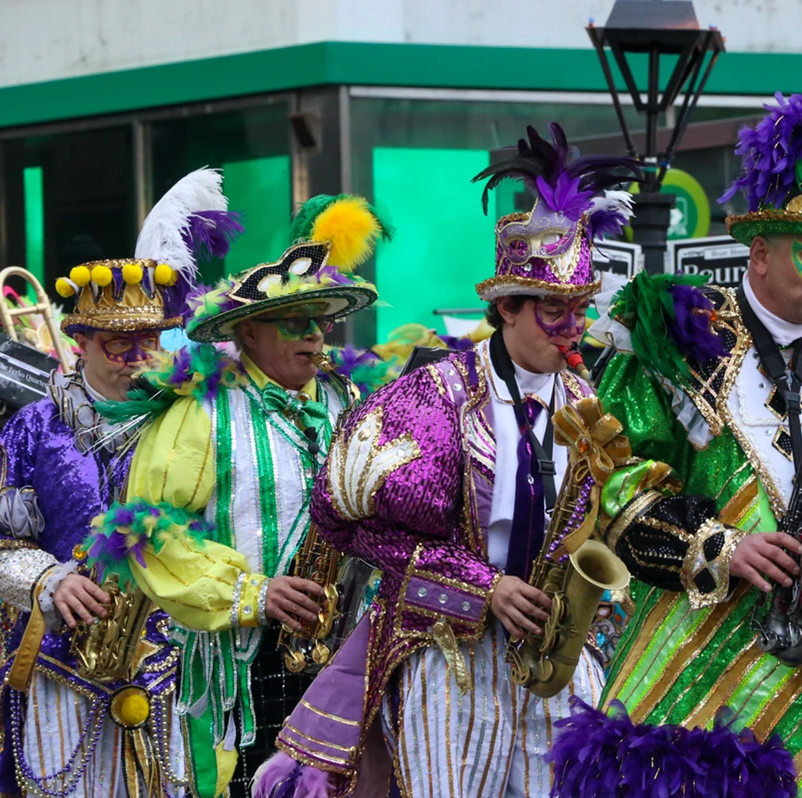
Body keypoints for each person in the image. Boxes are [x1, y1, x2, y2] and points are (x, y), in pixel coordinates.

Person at [546, 73, 802, 798]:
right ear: (759, 254)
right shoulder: (683, 340)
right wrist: (721, 546)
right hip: (701, 678)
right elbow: (607, 478)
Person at [252, 123, 640, 798]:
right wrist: (484, 587)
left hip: (556, 653)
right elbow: (348, 519)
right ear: (506, 309)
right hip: (449, 656)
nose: (575, 327)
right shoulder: (430, 399)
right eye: (555, 311)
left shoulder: (586, 396)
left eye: (580, 310)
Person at [84, 194, 390, 798]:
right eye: (294, 322)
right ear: (248, 331)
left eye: (321, 320)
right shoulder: (203, 409)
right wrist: (254, 592)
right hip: (246, 667)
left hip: (347, 649)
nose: (314, 336)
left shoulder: (346, 401)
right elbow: (145, 532)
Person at [0, 168, 238, 797]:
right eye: (119, 346)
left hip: (174, 662)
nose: (139, 358)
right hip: (62, 663)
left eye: (150, 342)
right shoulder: (33, 426)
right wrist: (48, 580)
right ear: (81, 343)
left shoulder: (188, 421)